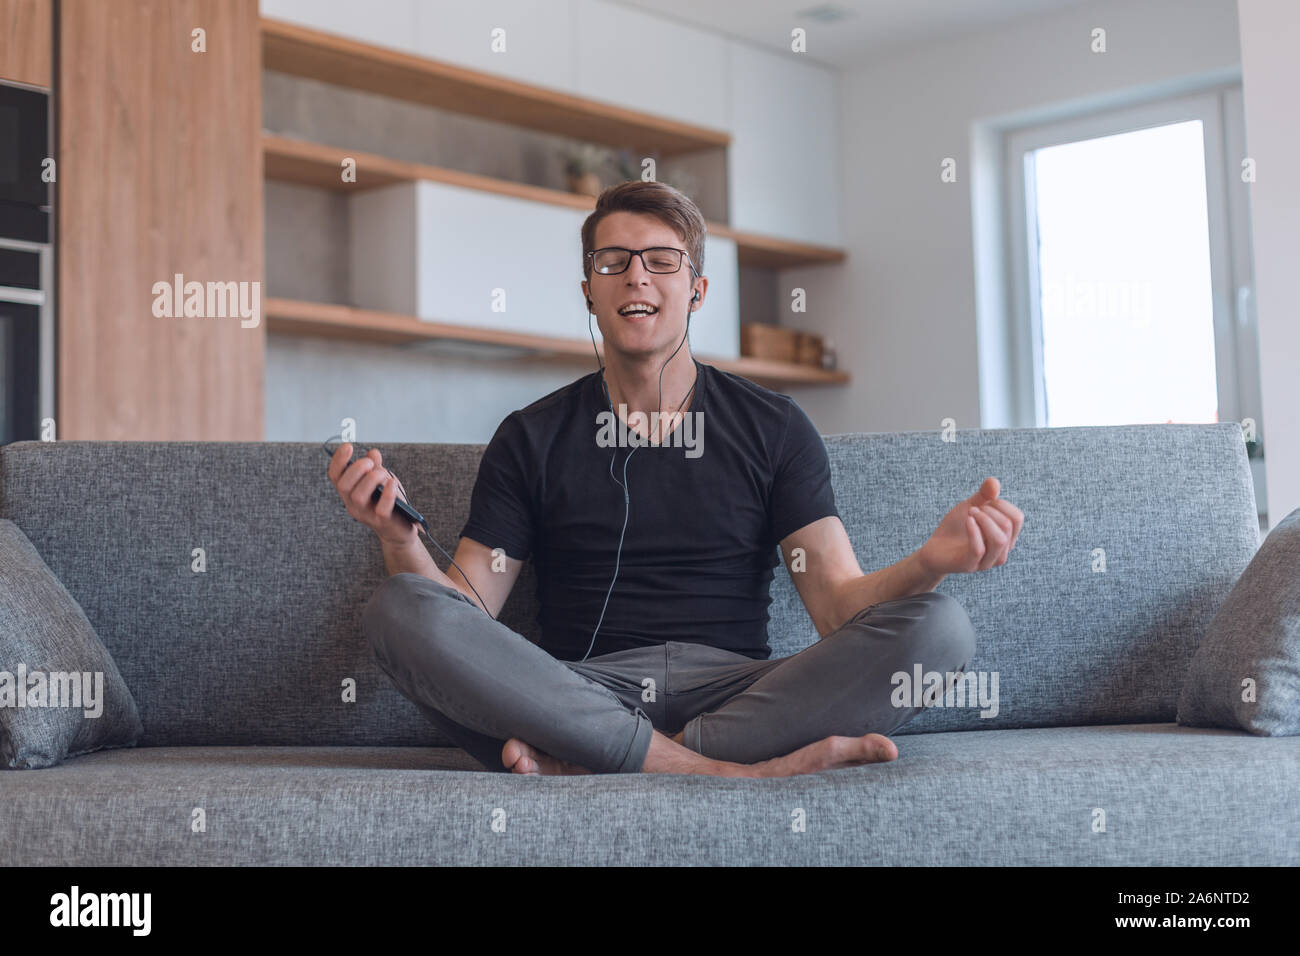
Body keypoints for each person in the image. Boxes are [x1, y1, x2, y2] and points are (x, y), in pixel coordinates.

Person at [328, 180, 1023, 777]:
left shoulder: (774, 427)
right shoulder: (531, 436)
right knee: (402, 608)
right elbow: (466, 611)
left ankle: (616, 761)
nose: (637, 277)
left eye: (662, 261)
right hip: (579, 691)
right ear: (589, 293)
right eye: (614, 262)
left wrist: (933, 562)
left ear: (696, 292)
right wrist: (398, 538)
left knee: (941, 630)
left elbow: (838, 609)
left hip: (743, 693)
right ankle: (709, 771)